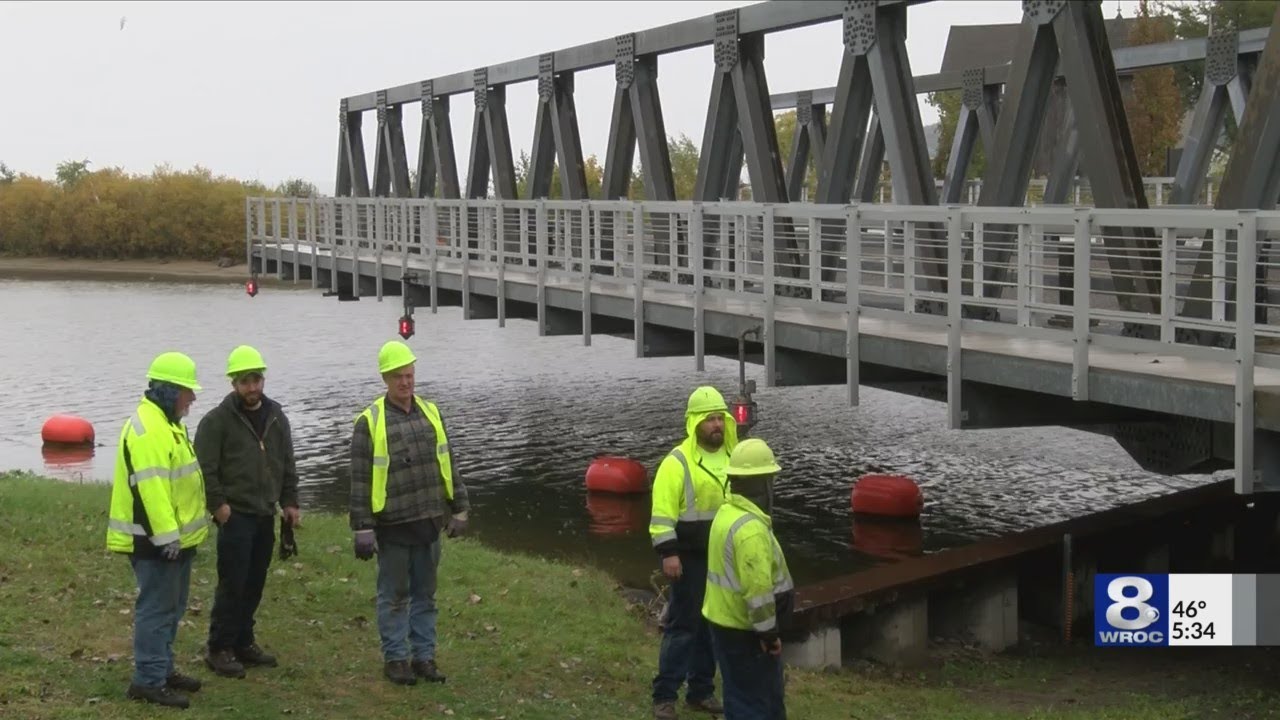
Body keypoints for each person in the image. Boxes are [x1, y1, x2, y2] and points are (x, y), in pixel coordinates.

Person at [349, 339, 471, 686]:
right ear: (385, 379)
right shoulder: (369, 422)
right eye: (398, 377)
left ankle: (424, 657)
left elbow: (449, 463)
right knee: (394, 597)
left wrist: (460, 508)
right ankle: (396, 659)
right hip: (393, 526)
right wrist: (362, 527)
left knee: (425, 596)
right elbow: (360, 480)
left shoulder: (431, 413)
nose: (405, 382)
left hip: (429, 522)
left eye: (409, 375)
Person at [106, 351, 209, 709]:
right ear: (168, 391)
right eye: (187, 391)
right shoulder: (149, 429)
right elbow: (152, 492)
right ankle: (148, 681)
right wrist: (168, 540)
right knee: (157, 609)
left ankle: (161, 669)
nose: (192, 398)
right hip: (156, 541)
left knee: (172, 607)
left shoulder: (168, 423)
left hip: (173, 540)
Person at [195, 345, 301, 679]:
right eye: (244, 381)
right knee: (233, 582)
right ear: (234, 384)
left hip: (264, 514)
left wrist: (290, 502)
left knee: (255, 580)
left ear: (262, 379)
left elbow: (287, 462)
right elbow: (205, 470)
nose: (252, 387)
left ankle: (243, 641)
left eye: (256, 380)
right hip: (235, 515)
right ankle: (219, 647)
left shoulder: (276, 416)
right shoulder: (216, 422)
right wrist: (218, 507)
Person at [648, 386, 739, 719]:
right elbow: (662, 515)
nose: (717, 425)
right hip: (687, 558)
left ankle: (701, 691)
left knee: (711, 626)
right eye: (709, 419)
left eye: (720, 418)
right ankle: (664, 695)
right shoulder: (677, 463)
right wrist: (668, 554)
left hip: (722, 558)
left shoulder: (734, 457)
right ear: (695, 423)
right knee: (682, 626)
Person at [701, 438, 794, 720]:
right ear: (762, 484)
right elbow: (758, 592)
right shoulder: (751, 530)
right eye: (770, 480)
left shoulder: (726, 513)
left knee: (739, 694)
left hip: (723, 623)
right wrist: (768, 634)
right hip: (747, 632)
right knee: (754, 703)